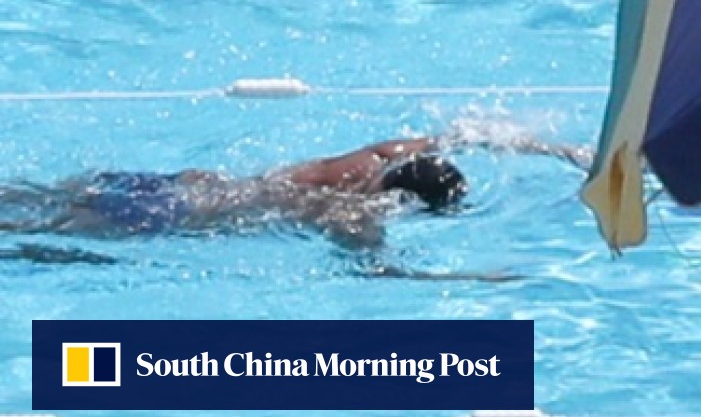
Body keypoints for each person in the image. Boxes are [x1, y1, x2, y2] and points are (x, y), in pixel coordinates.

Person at [0, 132, 592, 261]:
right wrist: (468, 284)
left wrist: (562, 151)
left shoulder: (380, 154)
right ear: (405, 202)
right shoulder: (350, 210)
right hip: (172, 214)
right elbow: (374, 271)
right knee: (32, 233)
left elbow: (473, 131)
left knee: (30, 198)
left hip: (177, 181)